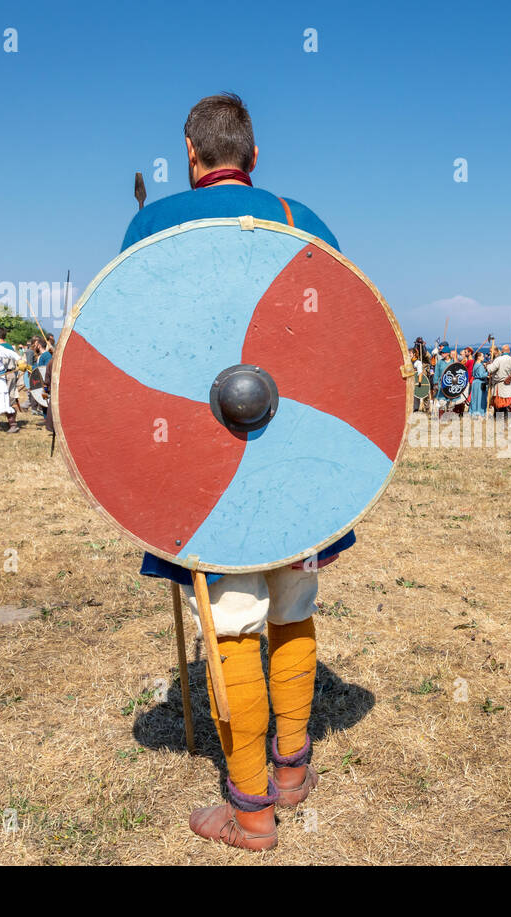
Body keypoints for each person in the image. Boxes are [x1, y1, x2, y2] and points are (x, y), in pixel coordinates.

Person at [124, 92, 345, 851]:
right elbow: (339, 348)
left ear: (191, 153)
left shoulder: (155, 228)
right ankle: (291, 768)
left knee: (233, 620)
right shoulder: (302, 222)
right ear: (253, 156)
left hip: (207, 459)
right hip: (303, 456)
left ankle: (251, 811)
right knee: (292, 598)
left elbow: (133, 361)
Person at [486, 344, 511, 425]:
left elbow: (490, 370)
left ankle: (498, 421)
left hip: (499, 385)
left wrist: (488, 365)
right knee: (505, 404)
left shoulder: (498, 360)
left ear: (502, 351)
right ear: (509, 351)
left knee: (498, 404)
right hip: (507, 385)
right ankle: (504, 421)